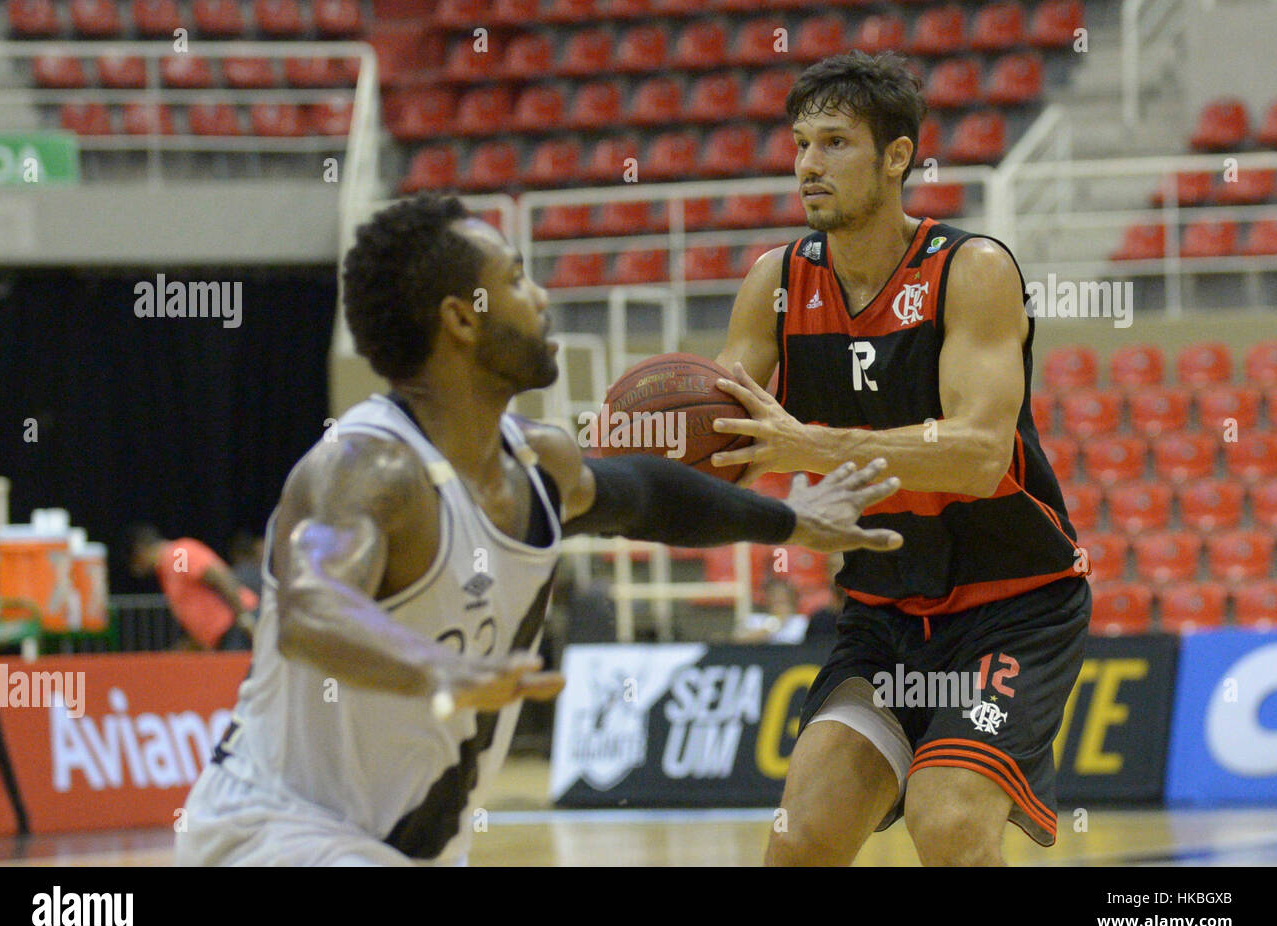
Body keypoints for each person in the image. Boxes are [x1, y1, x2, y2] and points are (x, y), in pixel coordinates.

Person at [173, 192, 903, 867]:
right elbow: (309, 608)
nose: (542, 296)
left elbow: (648, 494)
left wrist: (792, 522)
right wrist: (440, 669)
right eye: (519, 280)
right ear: (462, 318)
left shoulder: (539, 463)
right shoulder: (365, 470)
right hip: (272, 833)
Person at [710, 52, 1091, 866]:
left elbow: (980, 456)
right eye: (801, 143)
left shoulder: (971, 270)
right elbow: (724, 445)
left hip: (1013, 607)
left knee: (948, 821)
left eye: (836, 143)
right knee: (800, 838)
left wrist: (809, 448)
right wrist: (635, 466)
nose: (809, 164)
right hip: (883, 614)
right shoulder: (773, 282)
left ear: (898, 157)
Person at [127, 525, 258, 651]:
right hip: (225, 636)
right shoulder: (166, 569)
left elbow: (221, 578)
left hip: (237, 628)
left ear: (140, 550)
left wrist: (244, 618)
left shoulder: (178, 556)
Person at [735, 578, 808, 644]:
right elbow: (738, 641)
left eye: (782, 600)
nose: (779, 604)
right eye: (775, 599)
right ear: (767, 599)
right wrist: (773, 624)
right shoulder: (754, 619)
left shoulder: (801, 622)